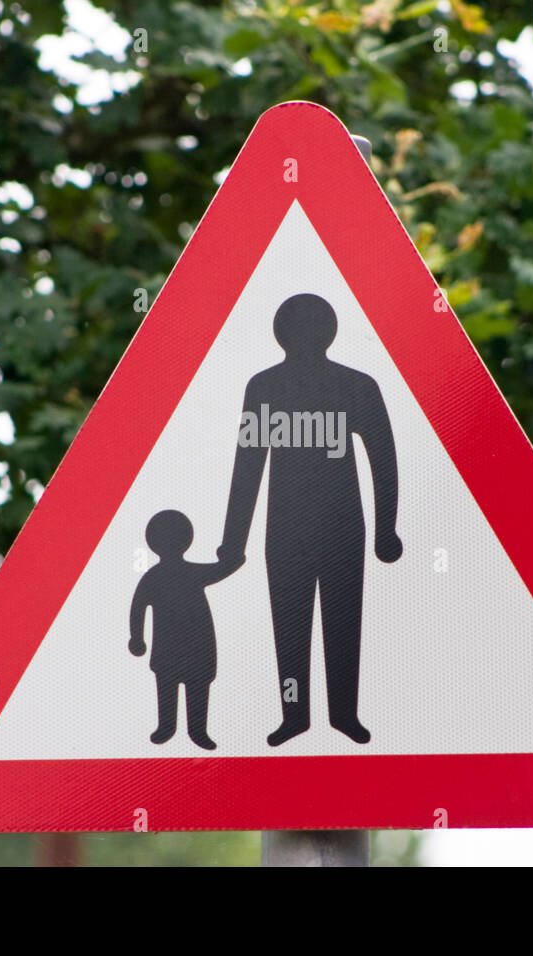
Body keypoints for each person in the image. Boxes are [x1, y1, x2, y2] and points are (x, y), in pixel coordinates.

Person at [216, 293, 401, 747]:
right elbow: (248, 464)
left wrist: (386, 530)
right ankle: (294, 717)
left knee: (342, 621)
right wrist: (234, 541)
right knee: (290, 624)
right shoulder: (264, 387)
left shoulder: (356, 386)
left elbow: (383, 458)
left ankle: (344, 715)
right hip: (285, 529)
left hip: (343, 528)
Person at [129, 509, 240, 750]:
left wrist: (233, 558)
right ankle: (167, 727)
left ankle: (197, 730)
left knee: (197, 684)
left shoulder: (180, 573)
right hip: (170, 648)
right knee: (168, 684)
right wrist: (136, 638)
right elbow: (138, 606)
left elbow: (221, 570)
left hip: (196, 647)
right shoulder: (156, 577)